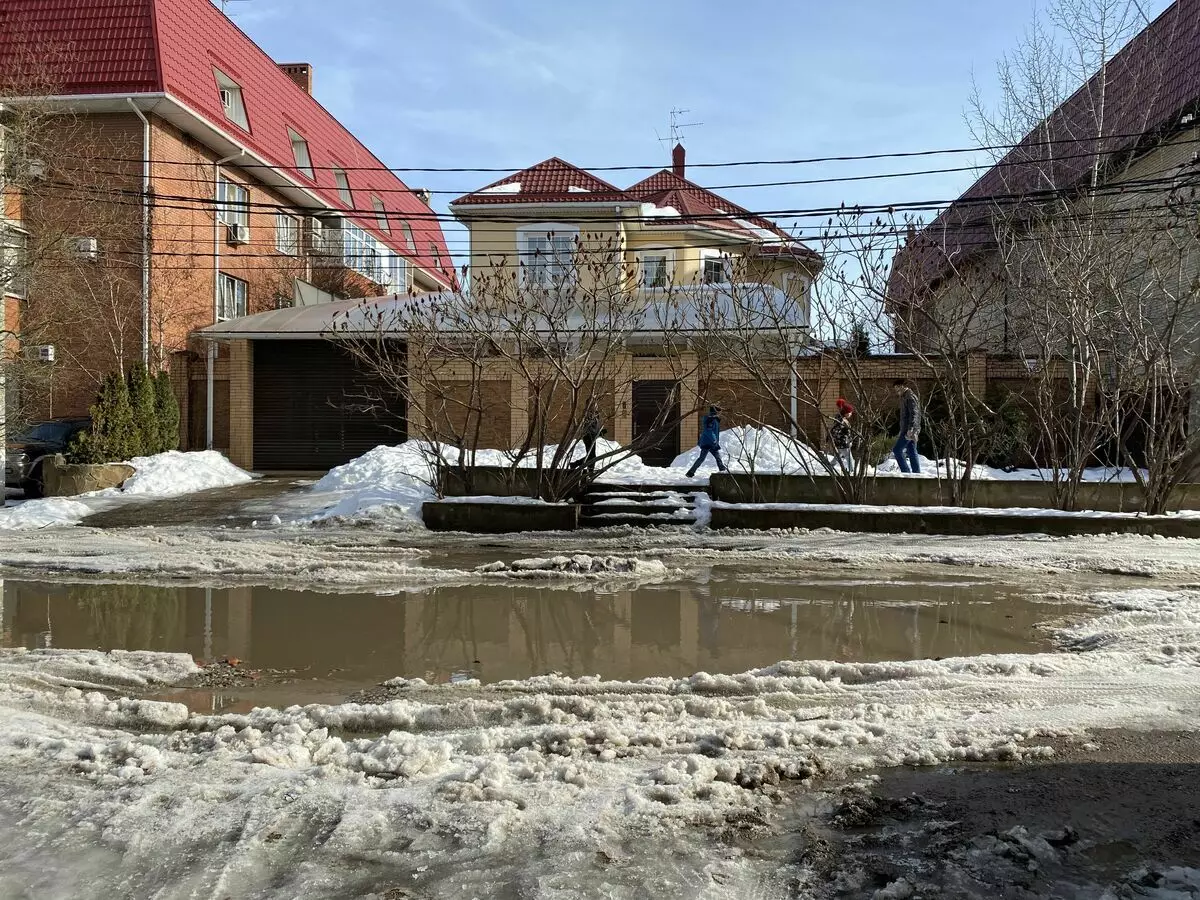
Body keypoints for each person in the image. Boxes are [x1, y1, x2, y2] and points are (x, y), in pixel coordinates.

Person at [686, 405, 727, 478]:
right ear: (716, 412)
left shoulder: (713, 419)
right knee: (702, 458)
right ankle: (690, 472)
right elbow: (708, 431)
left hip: (711, 442)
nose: (720, 413)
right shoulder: (711, 420)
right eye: (719, 412)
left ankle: (722, 469)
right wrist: (714, 439)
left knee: (717, 457)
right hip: (708, 442)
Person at [892, 379, 921, 474]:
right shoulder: (905, 397)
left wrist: (911, 429)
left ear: (902, 386)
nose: (896, 391)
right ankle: (916, 473)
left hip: (909, 429)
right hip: (907, 428)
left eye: (897, 388)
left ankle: (906, 472)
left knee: (897, 450)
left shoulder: (910, 397)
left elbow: (914, 414)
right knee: (911, 450)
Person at [569, 401, 605, 477]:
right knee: (592, 456)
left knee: (591, 456)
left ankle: (579, 466)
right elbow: (588, 428)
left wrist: (599, 432)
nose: (596, 406)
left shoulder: (596, 414)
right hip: (588, 437)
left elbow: (595, 427)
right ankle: (578, 465)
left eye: (596, 405)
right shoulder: (588, 415)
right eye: (594, 405)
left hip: (592, 436)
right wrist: (598, 433)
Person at [830, 398, 855, 471]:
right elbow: (836, 431)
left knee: (837, 457)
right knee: (849, 458)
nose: (851, 414)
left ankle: (829, 468)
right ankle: (852, 472)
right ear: (846, 413)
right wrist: (845, 436)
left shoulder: (841, 419)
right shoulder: (841, 420)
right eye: (850, 412)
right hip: (843, 443)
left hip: (841, 443)